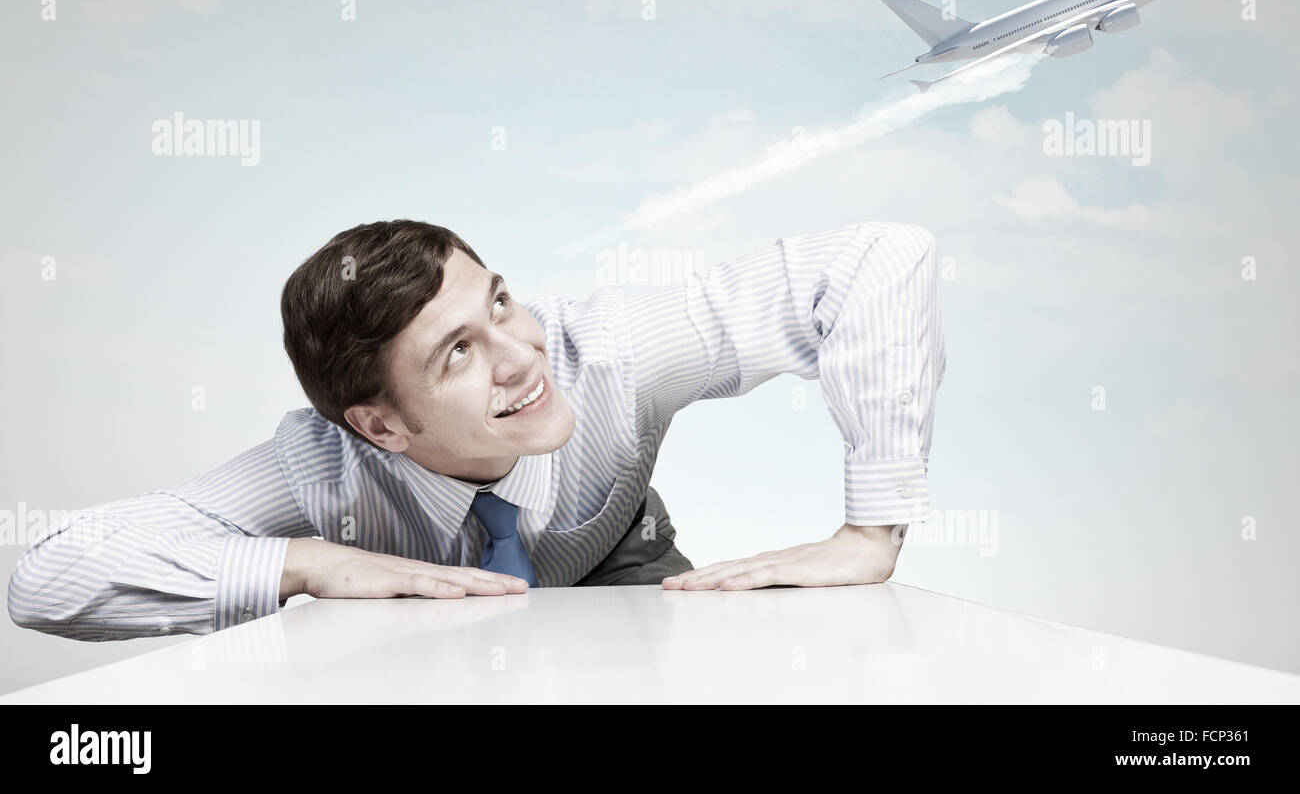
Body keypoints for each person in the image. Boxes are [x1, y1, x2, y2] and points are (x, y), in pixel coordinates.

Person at [7, 218, 946, 641]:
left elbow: (878, 258)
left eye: (501, 302)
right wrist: (300, 562)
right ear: (378, 425)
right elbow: (46, 574)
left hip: (611, 550)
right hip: (430, 636)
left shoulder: (606, 354)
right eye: (456, 353)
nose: (522, 356)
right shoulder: (318, 473)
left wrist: (873, 528)